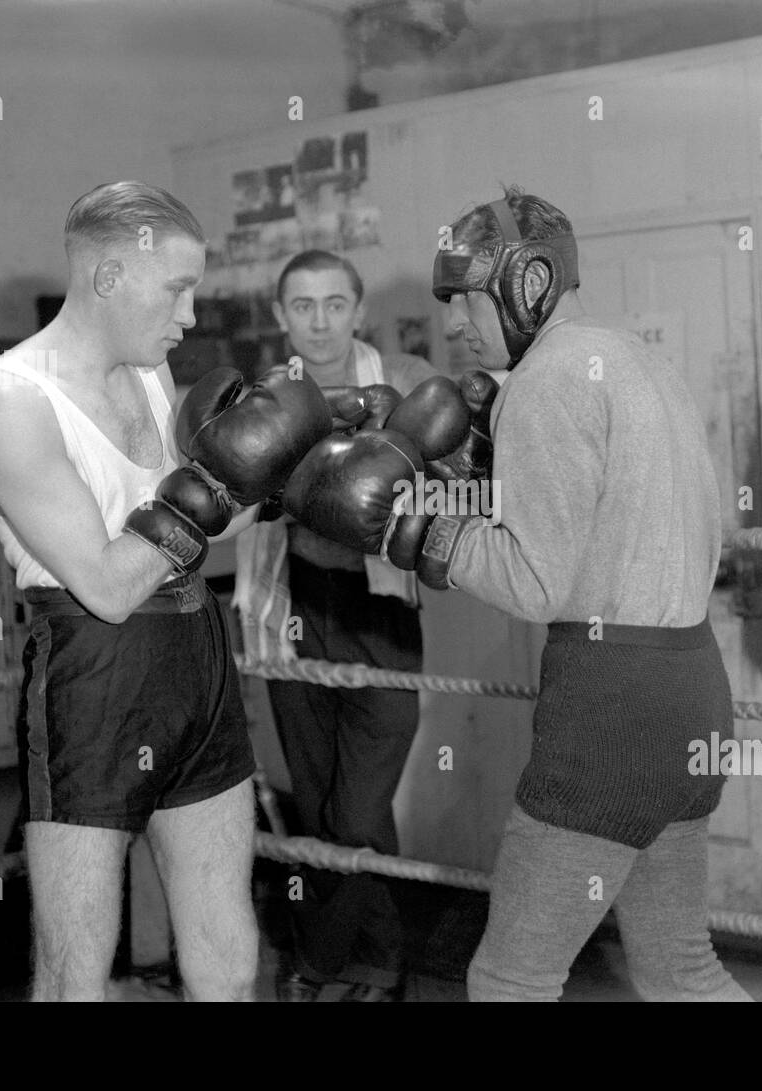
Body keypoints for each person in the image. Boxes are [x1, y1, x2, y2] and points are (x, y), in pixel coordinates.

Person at [282, 188, 750, 1001]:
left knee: (509, 978)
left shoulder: (548, 379)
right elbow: (603, 522)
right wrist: (470, 484)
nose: (455, 325)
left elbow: (538, 580)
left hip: (610, 710)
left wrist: (418, 532)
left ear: (525, 286)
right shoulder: (635, 358)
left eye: (464, 300)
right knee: (680, 965)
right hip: (690, 689)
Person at [0, 181, 330, 1001]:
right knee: (74, 971)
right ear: (107, 277)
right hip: (94, 670)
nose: (191, 314)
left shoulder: (154, 372)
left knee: (228, 951)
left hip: (195, 651)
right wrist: (211, 484)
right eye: (176, 288)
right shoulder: (9, 398)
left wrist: (284, 484)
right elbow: (104, 581)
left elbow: (192, 534)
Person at [235, 249, 440, 1002]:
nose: (318, 320)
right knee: (320, 804)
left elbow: (463, 480)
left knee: (356, 808)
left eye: (334, 303)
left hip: (379, 609)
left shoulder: (406, 378)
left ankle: (319, 958)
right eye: (302, 305)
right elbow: (227, 514)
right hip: (291, 607)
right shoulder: (265, 396)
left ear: (358, 311)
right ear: (282, 315)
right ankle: (379, 962)